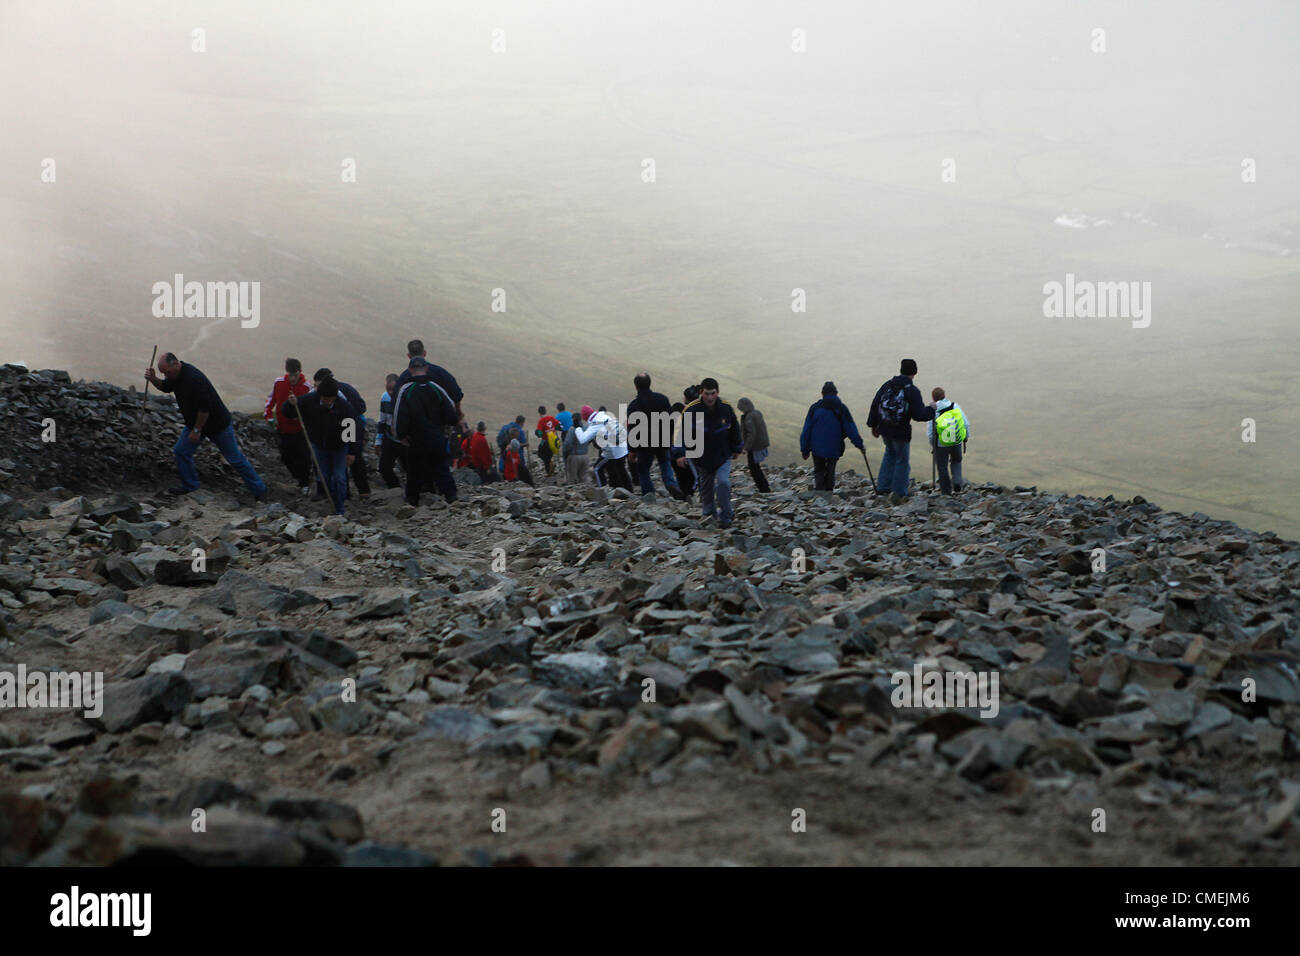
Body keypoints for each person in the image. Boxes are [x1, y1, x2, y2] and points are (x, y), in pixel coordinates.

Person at [145, 352, 267, 501]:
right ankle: (191, 486)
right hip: (195, 423)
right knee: (181, 451)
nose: (166, 375)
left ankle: (259, 490)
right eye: (163, 373)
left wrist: (196, 430)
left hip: (217, 425)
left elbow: (205, 408)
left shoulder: (193, 378)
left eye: (167, 372)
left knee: (234, 458)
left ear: (175, 363)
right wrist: (153, 379)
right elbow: (165, 387)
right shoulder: (175, 376)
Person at [281, 379, 358, 516]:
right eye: (324, 398)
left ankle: (339, 508)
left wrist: (352, 452)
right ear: (319, 395)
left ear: (335, 397)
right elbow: (288, 412)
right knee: (324, 477)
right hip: (319, 446)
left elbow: (351, 431)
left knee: (339, 477)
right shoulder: (309, 400)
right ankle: (331, 500)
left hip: (339, 447)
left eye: (330, 399)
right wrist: (290, 403)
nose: (327, 402)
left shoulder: (344, 408)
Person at [676, 378, 743, 528]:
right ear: (701, 393)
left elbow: (734, 428)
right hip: (701, 457)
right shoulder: (691, 410)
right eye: (707, 393)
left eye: (713, 393)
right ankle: (709, 514)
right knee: (706, 488)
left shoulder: (726, 408)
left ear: (718, 393)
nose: (710, 397)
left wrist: (737, 447)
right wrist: (680, 453)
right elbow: (681, 433)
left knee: (723, 483)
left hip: (722, 455)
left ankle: (726, 516)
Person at [867, 359, 936, 503]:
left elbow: (875, 403)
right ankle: (899, 492)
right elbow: (919, 415)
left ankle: (883, 487)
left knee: (889, 454)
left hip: (884, 427)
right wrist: (932, 410)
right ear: (915, 372)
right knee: (902, 460)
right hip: (900, 430)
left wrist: (873, 425)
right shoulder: (911, 390)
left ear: (901, 370)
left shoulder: (887, 385)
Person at [393, 357, 458, 505]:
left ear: (410, 370)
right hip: (437, 437)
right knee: (442, 468)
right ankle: (452, 497)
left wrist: (401, 436)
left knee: (414, 472)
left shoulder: (406, 390)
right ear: (426, 368)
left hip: (416, 440)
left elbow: (399, 416)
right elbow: (451, 413)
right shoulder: (436, 388)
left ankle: (412, 501)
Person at [313, 369, 370, 498]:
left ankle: (362, 492)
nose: (317, 389)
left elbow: (360, 408)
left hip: (350, 427)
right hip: (334, 432)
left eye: (318, 385)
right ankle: (347, 493)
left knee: (353, 457)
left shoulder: (345, 391)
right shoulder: (317, 394)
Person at [799, 382, 864, 492]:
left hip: (817, 447)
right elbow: (851, 428)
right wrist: (859, 444)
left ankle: (819, 492)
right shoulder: (842, 409)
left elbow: (807, 429)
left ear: (822, 394)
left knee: (819, 470)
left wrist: (805, 449)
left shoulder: (815, 408)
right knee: (830, 470)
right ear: (836, 394)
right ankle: (829, 492)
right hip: (834, 447)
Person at [627, 372, 684, 499]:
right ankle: (670, 484)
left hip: (644, 443)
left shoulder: (633, 405)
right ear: (650, 383)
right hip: (662, 440)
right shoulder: (662, 399)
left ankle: (649, 495)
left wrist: (632, 450)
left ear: (636, 386)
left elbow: (632, 429)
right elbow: (671, 420)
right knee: (665, 463)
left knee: (643, 470)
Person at [263, 357, 312, 494]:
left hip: (300, 430)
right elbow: (270, 400)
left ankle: (305, 483)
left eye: (295, 375)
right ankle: (298, 477)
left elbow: (311, 409)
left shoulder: (307, 387)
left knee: (303, 457)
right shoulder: (279, 383)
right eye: (290, 375)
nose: (292, 379)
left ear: (300, 372)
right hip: (283, 429)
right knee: (286, 456)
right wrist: (268, 416)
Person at [397, 339, 467, 427]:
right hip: (438, 427)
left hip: (414, 429)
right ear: (425, 353)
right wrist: (458, 414)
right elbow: (456, 395)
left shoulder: (403, 378)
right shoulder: (440, 373)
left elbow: (396, 404)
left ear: (409, 356)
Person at [927, 386, 970, 495]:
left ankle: (946, 492)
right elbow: (965, 423)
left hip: (941, 444)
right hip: (956, 441)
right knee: (956, 461)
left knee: (942, 467)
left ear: (934, 398)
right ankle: (957, 483)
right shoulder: (955, 406)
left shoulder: (934, 410)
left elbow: (931, 432)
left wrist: (933, 445)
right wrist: (965, 437)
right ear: (944, 395)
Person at [577, 406, 632, 490]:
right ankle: (628, 490)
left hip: (612, 451)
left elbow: (583, 439)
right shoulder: (605, 416)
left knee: (597, 468)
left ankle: (603, 491)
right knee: (620, 469)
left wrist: (577, 429)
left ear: (585, 417)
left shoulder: (595, 424)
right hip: (623, 446)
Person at [375, 374, 407, 489]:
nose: (390, 392)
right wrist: (378, 441)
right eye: (388, 389)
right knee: (384, 467)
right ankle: (395, 487)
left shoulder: (407, 397)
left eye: (393, 390)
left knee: (410, 467)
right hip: (390, 438)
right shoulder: (385, 398)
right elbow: (382, 419)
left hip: (405, 440)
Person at [736, 397, 771, 493]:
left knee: (754, 468)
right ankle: (765, 487)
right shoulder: (757, 413)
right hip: (760, 445)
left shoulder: (749, 417)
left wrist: (746, 448)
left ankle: (764, 489)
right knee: (756, 467)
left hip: (754, 447)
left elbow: (751, 434)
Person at [668, 401, 696, 498]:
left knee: (681, 477)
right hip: (684, 455)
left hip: (673, 455)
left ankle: (682, 494)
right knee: (689, 478)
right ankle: (687, 495)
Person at [563, 407, 594, 484]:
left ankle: (573, 494)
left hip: (574, 456)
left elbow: (567, 444)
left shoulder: (572, 429)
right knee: (584, 478)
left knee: (572, 479)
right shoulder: (587, 428)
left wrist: (565, 455)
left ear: (573, 419)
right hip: (585, 456)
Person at [535, 406, 560, 477]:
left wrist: (537, 433)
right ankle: (550, 472)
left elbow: (539, 432)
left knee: (541, 454)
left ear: (539, 413)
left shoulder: (541, 420)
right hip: (554, 440)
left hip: (546, 441)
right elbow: (558, 425)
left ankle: (550, 465)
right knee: (549, 455)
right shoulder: (551, 418)